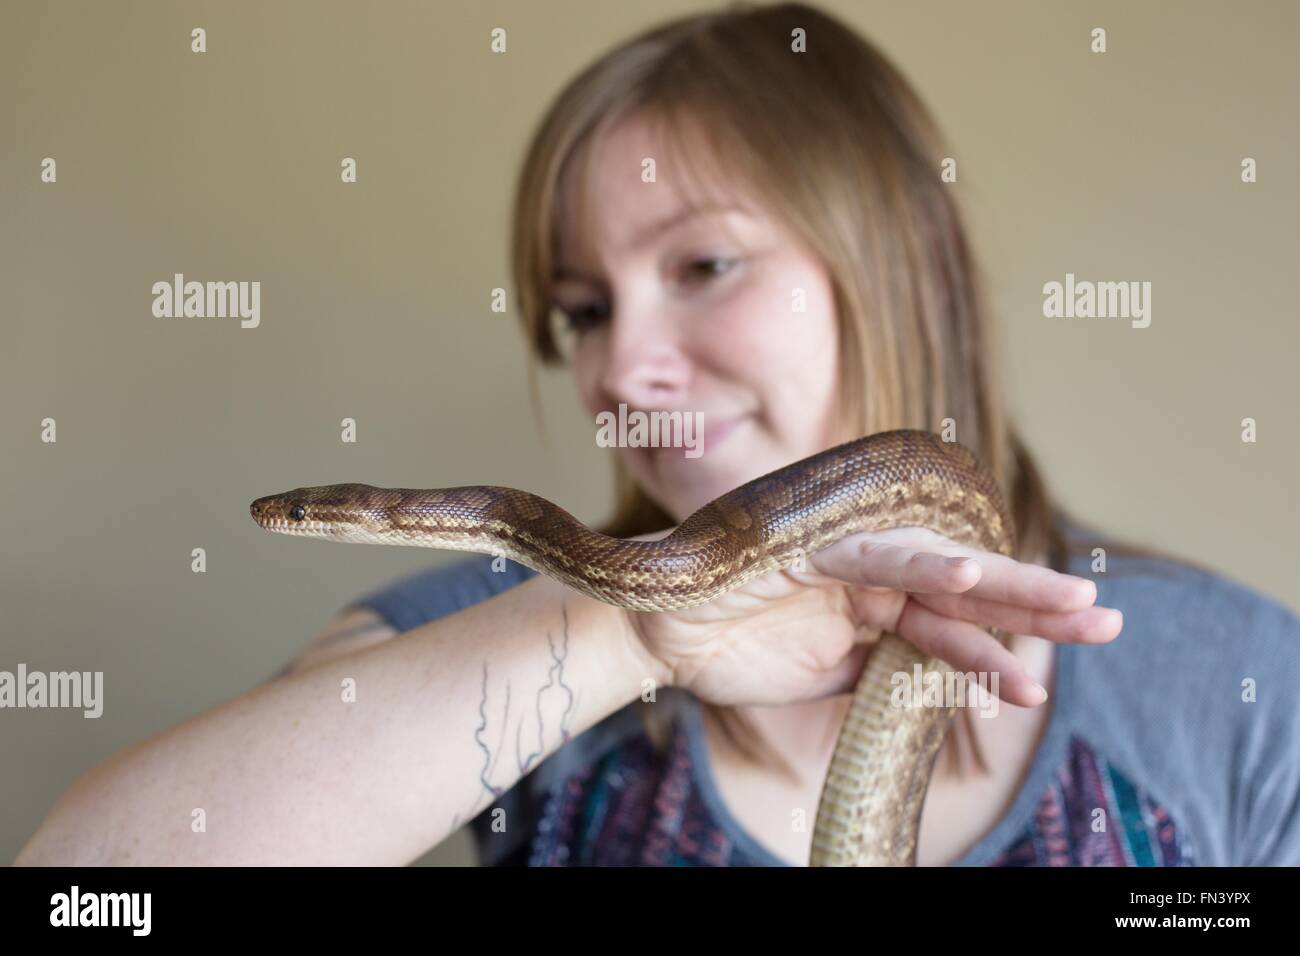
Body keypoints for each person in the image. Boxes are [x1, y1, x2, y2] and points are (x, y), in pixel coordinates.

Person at [18, 2, 1298, 867]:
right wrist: (631, 620)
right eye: (580, 308)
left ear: (899, 269)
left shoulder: (1226, 675)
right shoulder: (485, 623)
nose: (620, 363)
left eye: (702, 263)